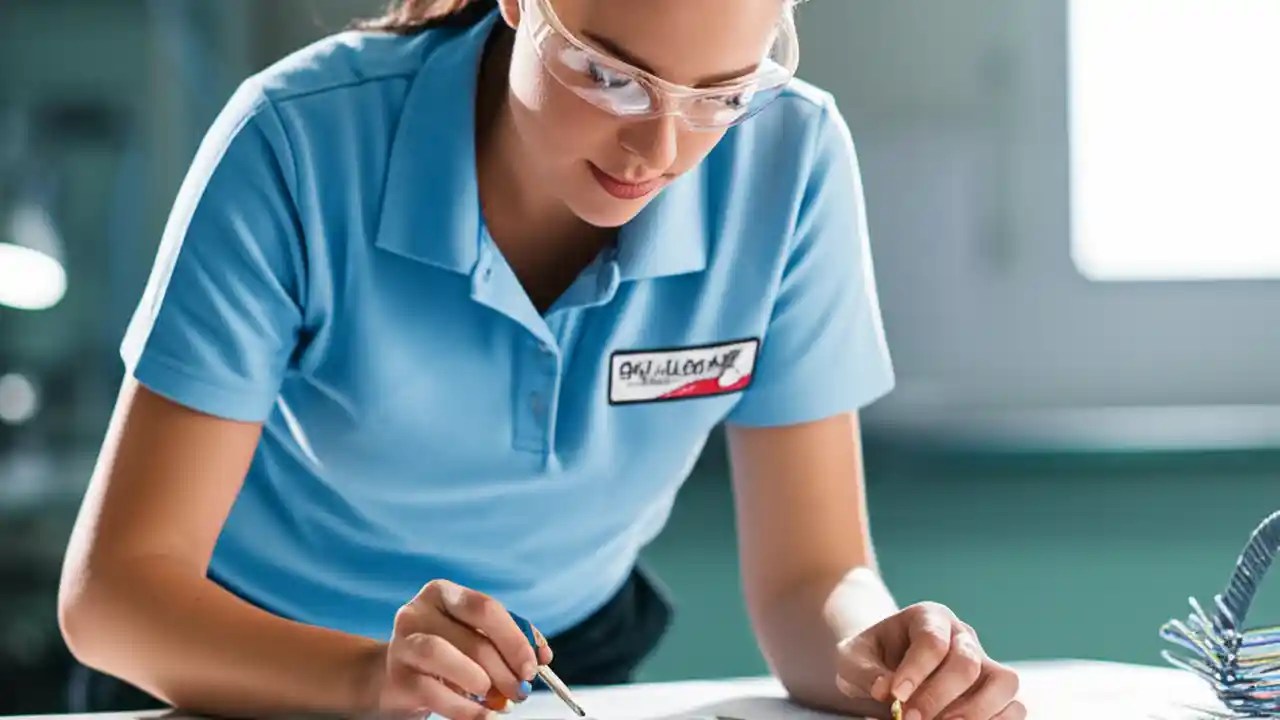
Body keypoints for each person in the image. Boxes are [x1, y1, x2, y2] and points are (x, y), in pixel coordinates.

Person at [57, 0, 1025, 719]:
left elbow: (810, 575)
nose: (660, 149)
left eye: (721, 95)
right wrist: (362, 679)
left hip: (555, 668)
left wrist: (883, 655)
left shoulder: (792, 155)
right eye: (609, 75)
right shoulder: (298, 140)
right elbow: (118, 596)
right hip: (234, 659)